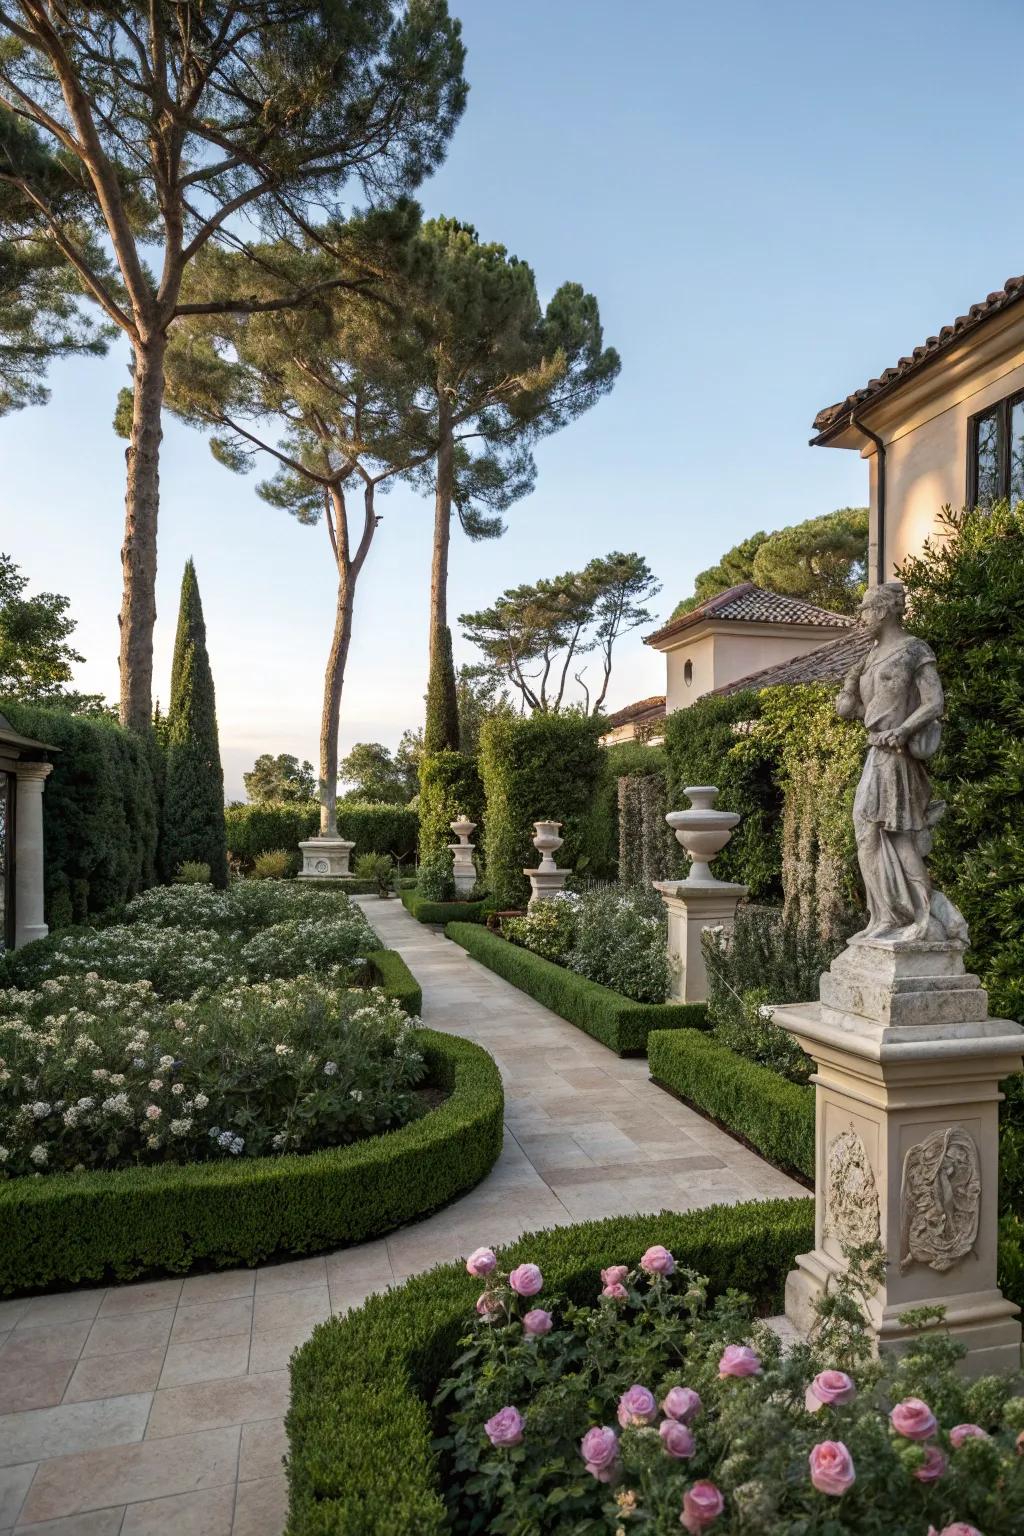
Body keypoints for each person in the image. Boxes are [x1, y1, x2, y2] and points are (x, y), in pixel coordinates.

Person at [836, 582, 967, 944]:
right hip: (876, 753)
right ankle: (886, 915)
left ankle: (920, 916)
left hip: (896, 756)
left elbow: (934, 702)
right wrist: (850, 685)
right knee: (868, 831)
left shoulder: (914, 649)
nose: (862, 618)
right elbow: (855, 710)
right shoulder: (869, 658)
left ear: (882, 611)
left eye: (865, 611)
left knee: (895, 833)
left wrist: (904, 729)